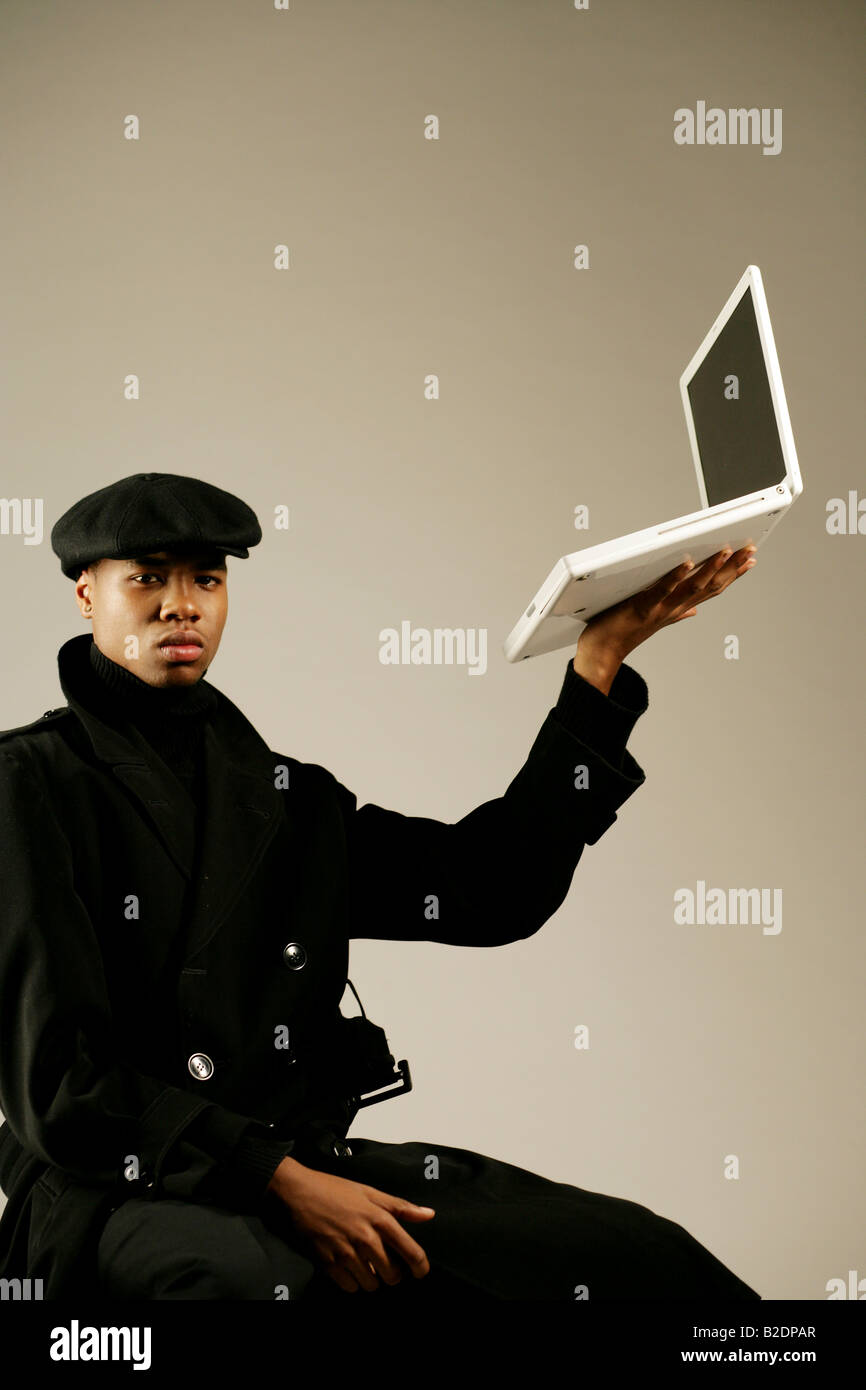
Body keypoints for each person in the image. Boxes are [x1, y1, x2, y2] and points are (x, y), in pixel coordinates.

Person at [0, 472, 761, 1301]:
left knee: (629, 1253)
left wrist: (598, 668)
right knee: (238, 1283)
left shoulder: (287, 800)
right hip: (116, 1191)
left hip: (296, 1161)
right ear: (86, 595)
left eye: (206, 579)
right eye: (147, 577)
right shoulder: (27, 785)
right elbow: (60, 1088)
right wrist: (276, 1179)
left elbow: (490, 887)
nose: (181, 604)